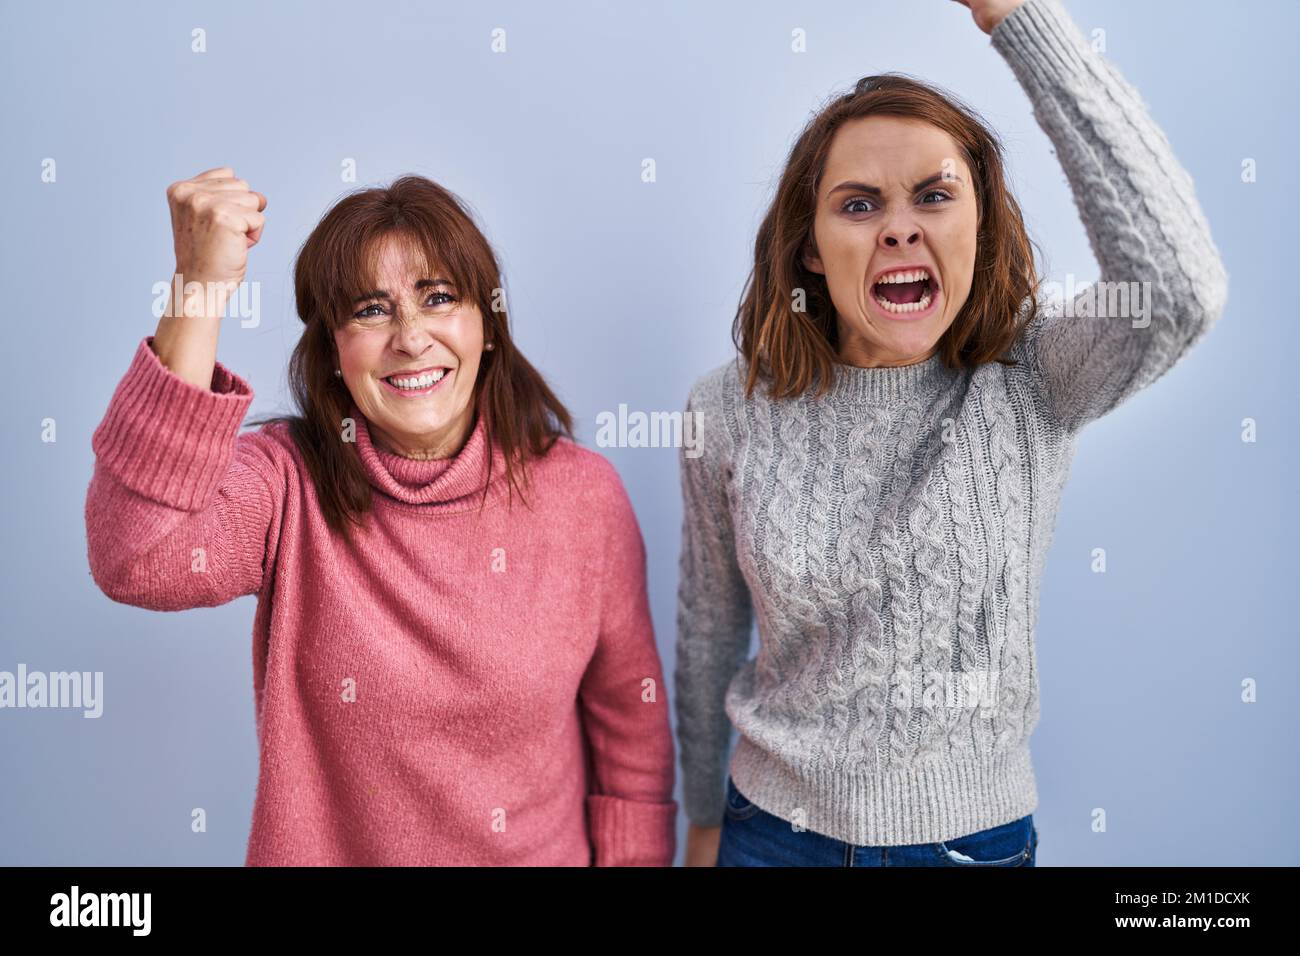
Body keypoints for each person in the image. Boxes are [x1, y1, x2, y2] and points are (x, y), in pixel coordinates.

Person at [675, 0, 1229, 866]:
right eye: (859, 204)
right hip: (767, 836)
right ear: (811, 248)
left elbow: (1180, 287)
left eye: (936, 196)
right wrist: (703, 821)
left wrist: (1021, 22)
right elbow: (710, 630)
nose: (901, 226)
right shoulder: (728, 409)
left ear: (980, 221)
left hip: (970, 843)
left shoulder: (1035, 377)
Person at [86, 170, 677, 866]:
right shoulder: (286, 486)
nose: (410, 337)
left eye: (439, 297)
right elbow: (138, 556)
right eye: (371, 310)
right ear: (334, 355)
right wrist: (199, 286)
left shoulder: (583, 498)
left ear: (487, 326)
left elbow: (630, 730)